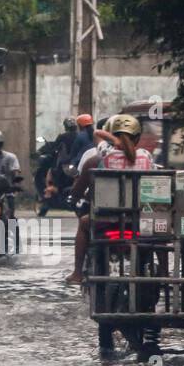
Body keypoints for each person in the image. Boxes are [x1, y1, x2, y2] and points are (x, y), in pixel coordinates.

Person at [64, 114, 155, 285]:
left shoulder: (104, 155)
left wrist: (115, 141)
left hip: (107, 220)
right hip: (140, 220)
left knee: (84, 224)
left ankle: (77, 273)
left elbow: (97, 132)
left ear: (112, 135)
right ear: (138, 138)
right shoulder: (146, 156)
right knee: (161, 236)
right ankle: (165, 273)